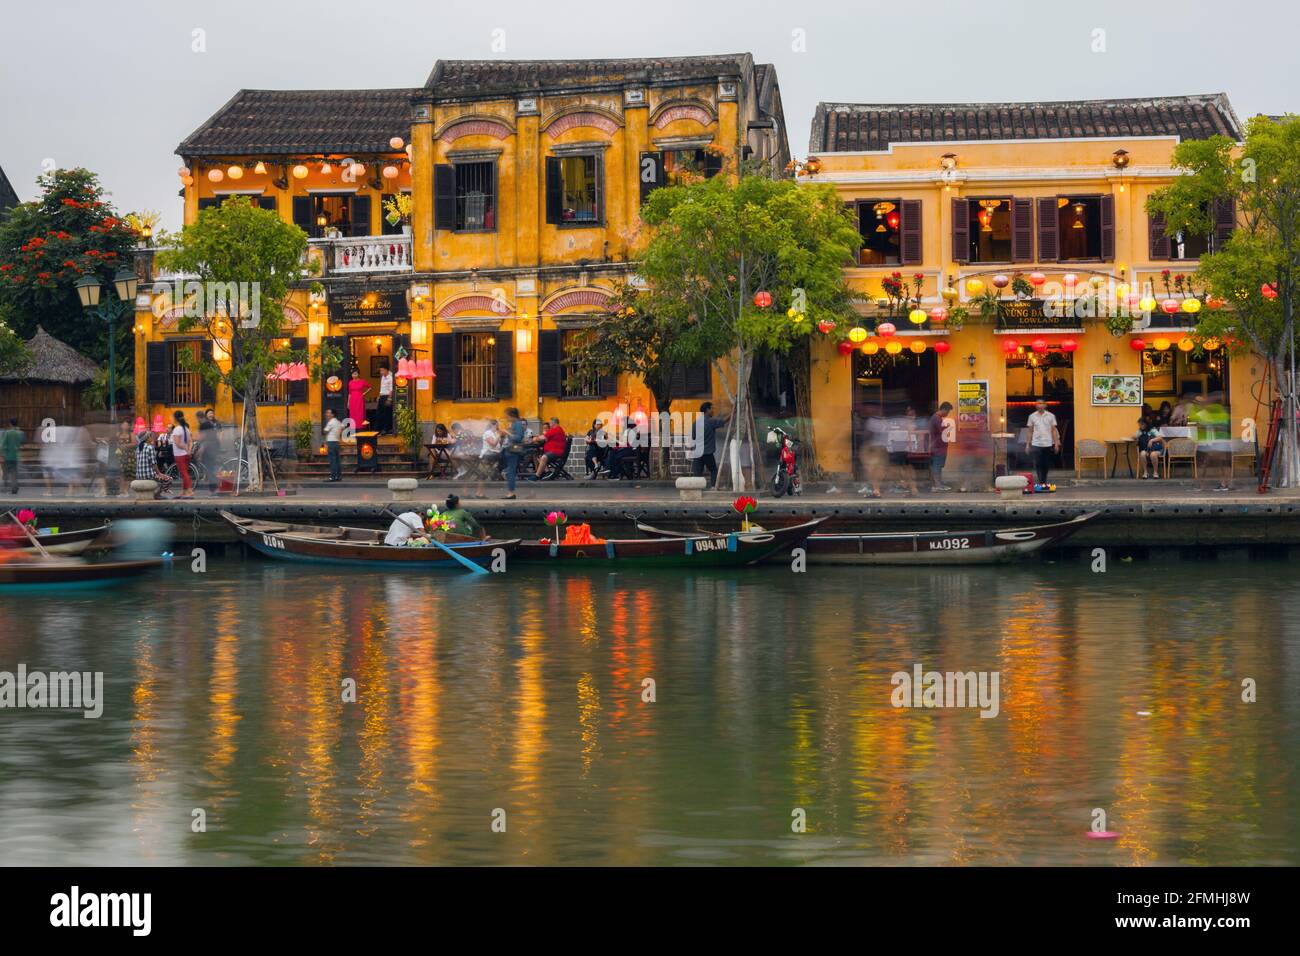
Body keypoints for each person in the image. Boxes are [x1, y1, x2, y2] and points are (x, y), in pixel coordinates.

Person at [1024, 399, 1061, 486]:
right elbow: (1030, 431)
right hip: (1036, 443)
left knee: (1045, 463)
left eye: (1042, 403)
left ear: (1045, 405)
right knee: (1038, 463)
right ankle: (1041, 481)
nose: (1040, 405)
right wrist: (1027, 444)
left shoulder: (1051, 416)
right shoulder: (1032, 416)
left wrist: (1056, 444)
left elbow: (1054, 431)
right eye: (1038, 403)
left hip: (1047, 443)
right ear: (1036, 405)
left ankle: (1043, 480)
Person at [691, 402, 726, 487]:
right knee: (713, 470)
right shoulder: (710, 422)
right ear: (707, 410)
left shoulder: (695, 422)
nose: (713, 411)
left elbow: (693, 437)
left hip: (697, 452)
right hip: (707, 452)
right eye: (711, 409)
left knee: (697, 473)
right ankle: (713, 487)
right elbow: (724, 421)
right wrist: (734, 412)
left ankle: (696, 489)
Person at [135, 429, 172, 498]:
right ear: (147, 438)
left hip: (139, 475)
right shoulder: (150, 447)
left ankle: (156, 493)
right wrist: (159, 473)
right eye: (150, 436)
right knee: (168, 479)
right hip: (149, 475)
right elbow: (153, 463)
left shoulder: (138, 448)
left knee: (161, 476)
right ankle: (157, 495)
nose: (152, 438)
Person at [500, 407, 527, 499]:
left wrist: (507, 432)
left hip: (513, 451)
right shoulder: (514, 424)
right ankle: (510, 492)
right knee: (509, 471)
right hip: (509, 450)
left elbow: (518, 438)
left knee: (511, 471)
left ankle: (511, 493)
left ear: (512, 416)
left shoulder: (518, 424)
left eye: (507, 416)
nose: (506, 418)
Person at [928, 402, 954, 491]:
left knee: (937, 465)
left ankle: (938, 484)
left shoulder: (937, 418)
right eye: (948, 411)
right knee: (937, 465)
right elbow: (941, 432)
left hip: (939, 447)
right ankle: (937, 485)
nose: (948, 414)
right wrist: (948, 428)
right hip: (938, 447)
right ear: (944, 409)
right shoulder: (936, 419)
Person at [195, 408, 221, 493]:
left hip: (210, 448)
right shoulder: (208, 424)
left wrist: (200, 450)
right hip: (214, 446)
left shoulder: (204, 425)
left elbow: (204, 438)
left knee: (210, 468)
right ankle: (214, 487)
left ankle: (214, 488)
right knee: (211, 467)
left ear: (199, 417)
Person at [170, 410, 194, 498]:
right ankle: (184, 491)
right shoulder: (186, 429)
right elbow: (191, 441)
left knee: (184, 473)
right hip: (186, 454)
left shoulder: (177, 429)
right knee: (185, 473)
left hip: (179, 455)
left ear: (175, 418)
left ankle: (190, 491)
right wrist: (189, 450)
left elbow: (177, 443)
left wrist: (185, 449)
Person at [1, 419, 21, 495]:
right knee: (14, 473)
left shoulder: (7, 433)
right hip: (15, 456)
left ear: (10, 424)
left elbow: (2, 445)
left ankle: (5, 487)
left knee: (5, 472)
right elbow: (19, 445)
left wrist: (1, 455)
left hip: (7, 455)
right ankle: (14, 488)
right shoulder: (19, 433)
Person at [323, 407, 344, 482]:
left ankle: (333, 476)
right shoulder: (338, 422)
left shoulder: (331, 422)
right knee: (337, 460)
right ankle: (338, 476)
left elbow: (325, 431)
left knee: (332, 460)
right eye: (327, 412)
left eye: (328, 413)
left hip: (331, 442)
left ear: (332, 414)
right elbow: (342, 427)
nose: (327, 414)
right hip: (337, 442)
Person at [377, 363, 394, 434]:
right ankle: (379, 429)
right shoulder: (383, 377)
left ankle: (386, 429)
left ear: (387, 370)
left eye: (382, 370)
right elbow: (382, 388)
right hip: (382, 396)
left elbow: (391, 389)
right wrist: (379, 396)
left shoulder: (390, 377)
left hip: (387, 397)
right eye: (380, 371)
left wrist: (389, 399)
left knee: (386, 414)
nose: (381, 372)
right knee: (379, 414)